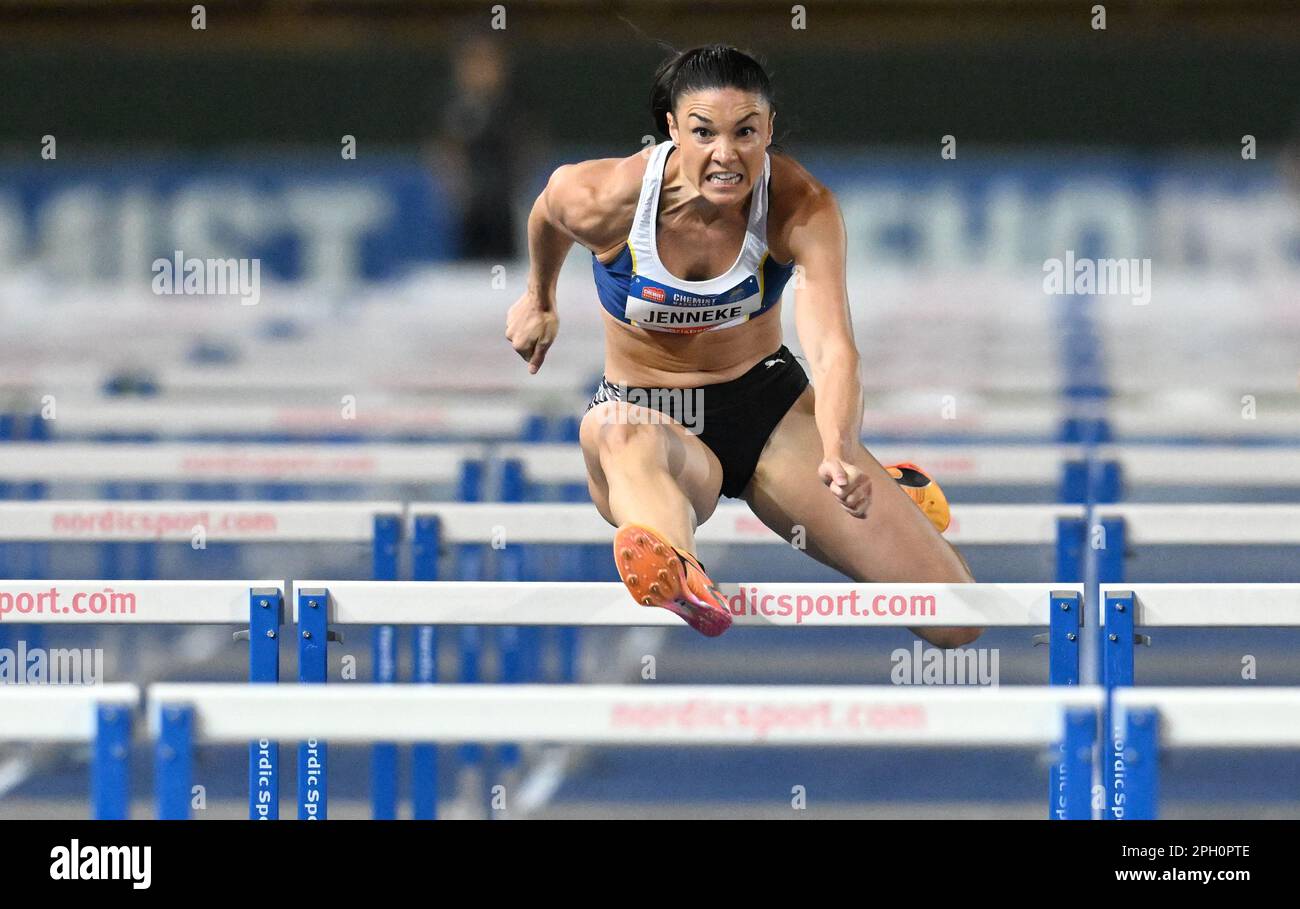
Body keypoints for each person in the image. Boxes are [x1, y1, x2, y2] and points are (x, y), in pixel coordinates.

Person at [507, 44, 979, 648]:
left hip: (769, 415)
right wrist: (539, 297)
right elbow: (547, 213)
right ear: (672, 129)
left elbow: (833, 349)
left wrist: (839, 448)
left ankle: (883, 488)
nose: (725, 155)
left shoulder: (800, 207)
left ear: (769, 129)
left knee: (955, 622)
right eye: (704, 132)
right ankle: (680, 572)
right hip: (646, 417)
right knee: (613, 430)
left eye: (745, 132)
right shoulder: (605, 197)